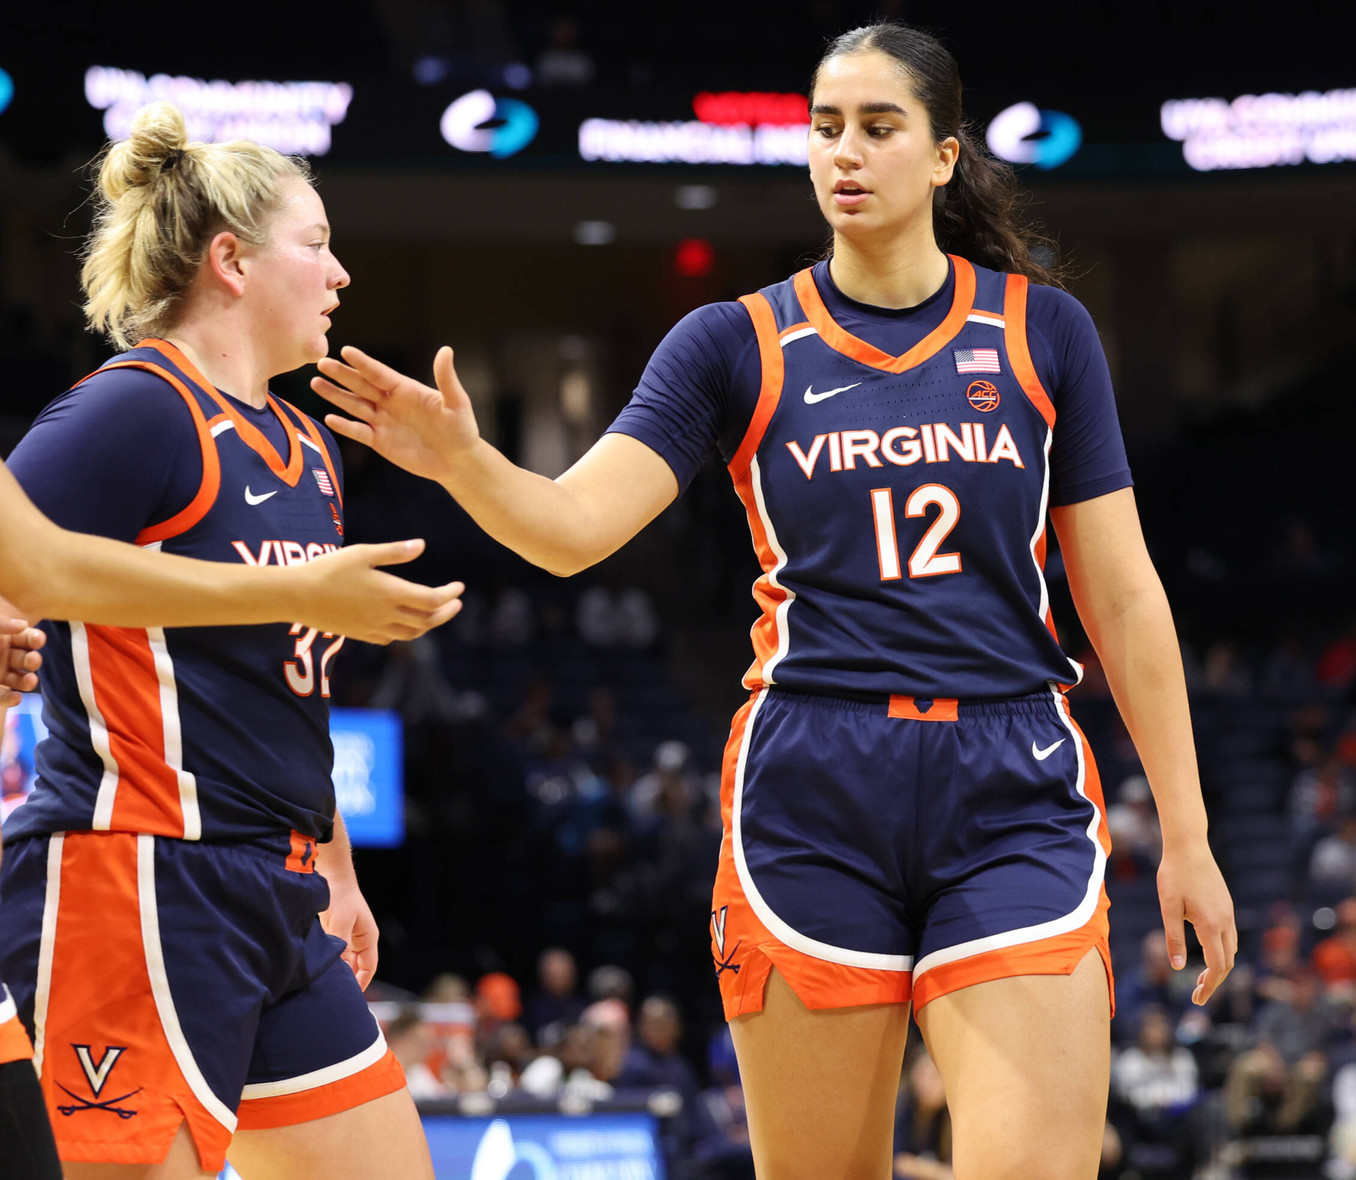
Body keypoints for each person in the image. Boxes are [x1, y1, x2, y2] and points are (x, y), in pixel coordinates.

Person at [310, 19, 1238, 1177]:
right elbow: (569, 530)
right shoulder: (732, 343)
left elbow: (1126, 594)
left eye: (879, 127)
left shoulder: (1045, 332)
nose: (845, 152)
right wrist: (464, 463)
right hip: (813, 782)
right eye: (826, 127)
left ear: (945, 155)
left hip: (1012, 781)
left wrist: (1189, 834)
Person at [0, 61, 458, 1180]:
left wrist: (334, 861)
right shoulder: (131, 409)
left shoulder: (305, 445)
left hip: (274, 883)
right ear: (231, 261)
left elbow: (292, 680)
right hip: (136, 877)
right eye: (315, 242)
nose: (340, 270)